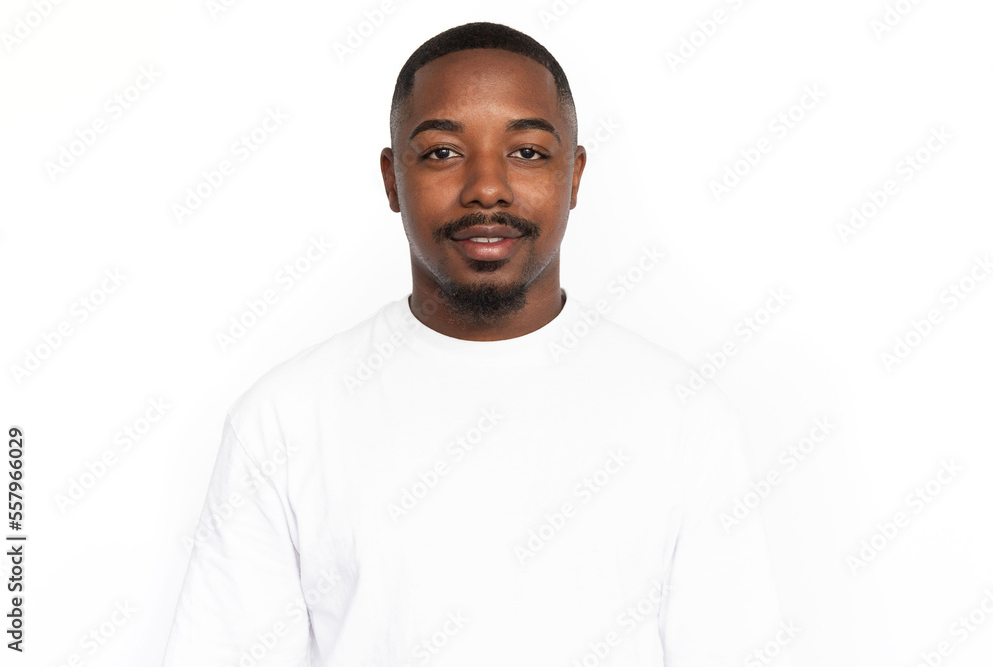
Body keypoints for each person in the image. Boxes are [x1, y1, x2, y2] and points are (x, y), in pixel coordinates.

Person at [161, 21, 788, 667]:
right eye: (442, 152)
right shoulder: (284, 419)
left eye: (527, 152)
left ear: (574, 176)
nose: (487, 187)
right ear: (391, 179)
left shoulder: (684, 416)